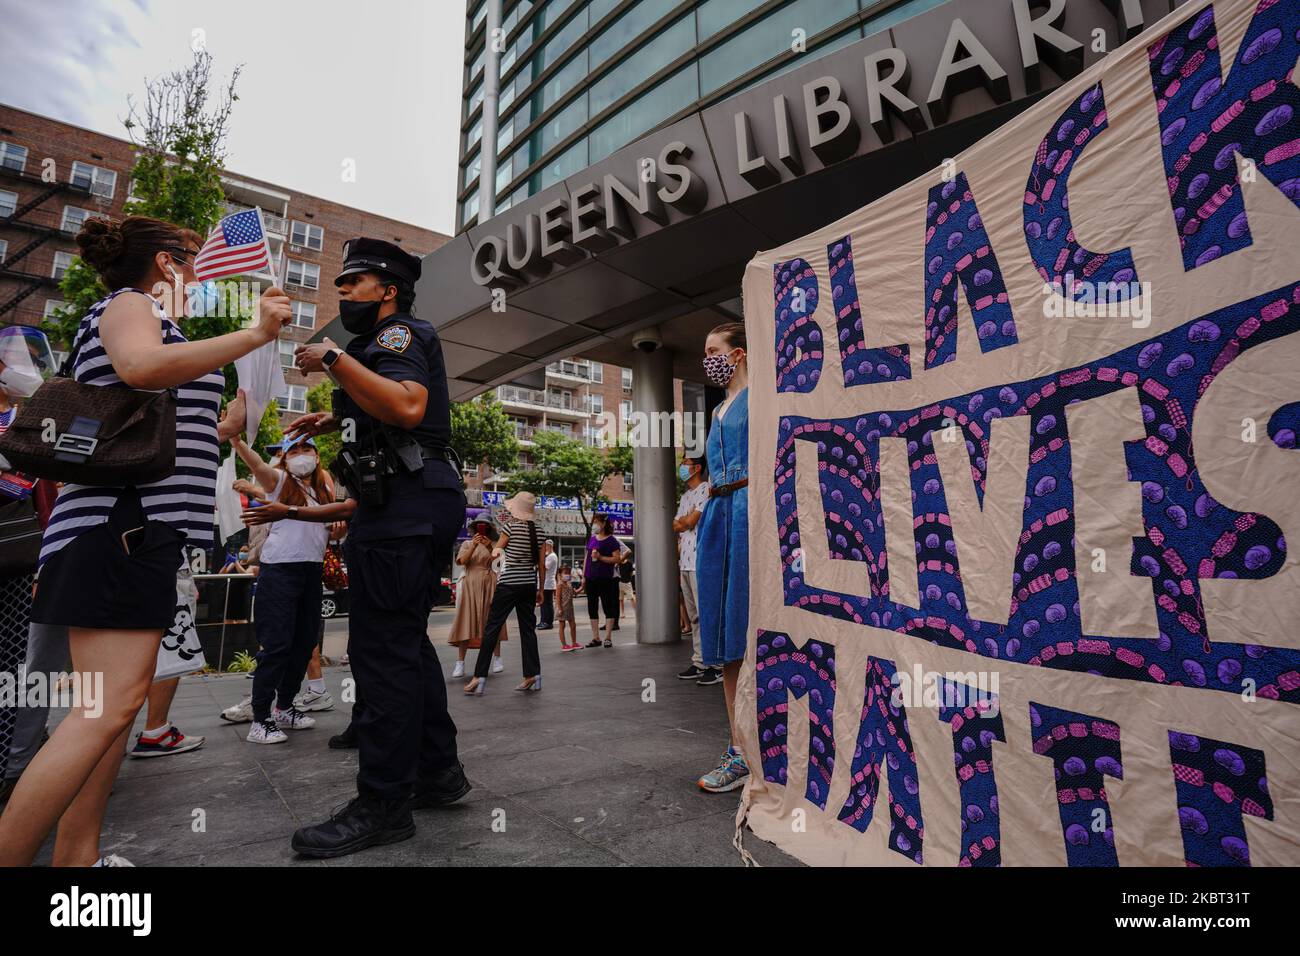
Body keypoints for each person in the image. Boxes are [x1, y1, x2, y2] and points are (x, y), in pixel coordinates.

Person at [0, 214, 291, 867]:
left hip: (138, 535)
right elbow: (137, 367)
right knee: (102, 711)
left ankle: (77, 859)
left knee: (112, 709)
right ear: (166, 265)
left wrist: (237, 407)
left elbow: (165, 423)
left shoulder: (167, 330)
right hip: (117, 530)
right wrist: (249, 332)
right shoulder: (132, 307)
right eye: (186, 262)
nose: (194, 276)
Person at [286, 237, 469, 858]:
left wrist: (335, 359)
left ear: (387, 290)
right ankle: (437, 773)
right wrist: (332, 417)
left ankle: (384, 804)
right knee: (405, 644)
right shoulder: (377, 347)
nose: (341, 293)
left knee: (382, 649)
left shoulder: (399, 336)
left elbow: (408, 406)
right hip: (408, 499)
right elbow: (380, 409)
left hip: (405, 502)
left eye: (351, 283)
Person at [226, 432, 353, 743]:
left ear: (317, 455)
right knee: (277, 646)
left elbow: (329, 529)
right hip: (280, 572)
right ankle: (260, 719)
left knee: (304, 642)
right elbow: (258, 466)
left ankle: (284, 707)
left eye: (306, 447)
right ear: (284, 458)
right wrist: (237, 441)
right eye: (293, 450)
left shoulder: (322, 488)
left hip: (310, 571)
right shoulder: (280, 481)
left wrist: (337, 530)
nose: (300, 453)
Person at [694, 322, 752, 794]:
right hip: (719, 516)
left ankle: (764, 749)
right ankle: (738, 749)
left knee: (753, 628)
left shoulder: (767, 398)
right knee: (726, 634)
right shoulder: (717, 411)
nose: (708, 359)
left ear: (740, 353)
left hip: (752, 514)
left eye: (715, 350)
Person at [464, 492, 545, 695]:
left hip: (508, 584)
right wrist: (541, 588)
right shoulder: (540, 531)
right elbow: (542, 565)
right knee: (528, 630)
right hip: (528, 584)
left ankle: (479, 677)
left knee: (492, 628)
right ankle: (532, 675)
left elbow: (495, 555)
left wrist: (488, 546)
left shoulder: (510, 527)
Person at [675, 455, 719, 685]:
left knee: (706, 613)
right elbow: (676, 524)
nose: (682, 467)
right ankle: (700, 661)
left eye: (686, 463)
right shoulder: (685, 496)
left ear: (697, 467)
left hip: (701, 561)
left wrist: (686, 519)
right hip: (685, 561)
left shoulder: (705, 489)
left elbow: (691, 521)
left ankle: (716, 663)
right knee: (693, 616)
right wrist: (686, 519)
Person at [447, 518, 506, 678]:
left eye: (486, 527)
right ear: (474, 528)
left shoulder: (495, 544)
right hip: (470, 583)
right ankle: (460, 662)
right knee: (466, 620)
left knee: (492, 621)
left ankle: (497, 658)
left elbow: (499, 564)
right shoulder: (467, 544)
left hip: (489, 583)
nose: (483, 529)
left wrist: (488, 546)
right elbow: (461, 562)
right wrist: (473, 545)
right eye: (480, 527)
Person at [582, 514, 622, 648]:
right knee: (592, 607)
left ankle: (608, 637)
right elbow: (587, 558)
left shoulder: (612, 540)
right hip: (590, 578)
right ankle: (596, 637)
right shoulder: (592, 539)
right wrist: (583, 576)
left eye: (596, 522)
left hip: (605, 578)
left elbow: (617, 559)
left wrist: (600, 557)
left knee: (607, 606)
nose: (594, 525)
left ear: (603, 524)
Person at [554, 563, 579, 651]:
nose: (567, 574)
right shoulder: (560, 585)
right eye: (565, 572)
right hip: (562, 609)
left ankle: (574, 642)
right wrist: (560, 609)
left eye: (568, 572)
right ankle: (564, 645)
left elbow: (574, 593)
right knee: (562, 625)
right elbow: (557, 598)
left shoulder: (569, 584)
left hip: (569, 609)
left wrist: (582, 587)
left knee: (573, 625)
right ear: (560, 574)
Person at [537, 538, 558, 630]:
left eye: (546, 546)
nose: (544, 548)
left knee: (547, 604)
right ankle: (542, 621)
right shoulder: (547, 556)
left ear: (550, 546)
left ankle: (548, 622)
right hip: (544, 583)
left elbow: (544, 567)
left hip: (548, 583)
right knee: (543, 603)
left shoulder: (552, 556)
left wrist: (539, 561)